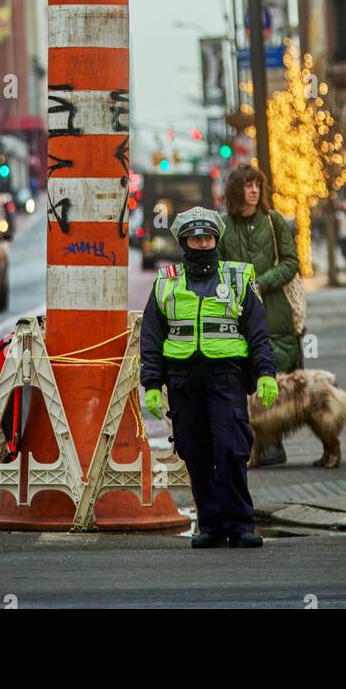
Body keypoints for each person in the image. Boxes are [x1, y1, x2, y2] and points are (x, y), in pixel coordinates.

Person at [140, 205, 278, 548]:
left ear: (216, 239)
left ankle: (241, 525)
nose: (202, 243)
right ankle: (211, 526)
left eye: (207, 237)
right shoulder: (166, 282)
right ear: (184, 241)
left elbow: (258, 332)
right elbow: (152, 338)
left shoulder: (237, 278)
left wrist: (266, 374)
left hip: (226, 379)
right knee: (195, 453)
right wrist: (152, 385)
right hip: (184, 382)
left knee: (231, 450)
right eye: (195, 238)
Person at [219, 163, 300, 466]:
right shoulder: (224, 227)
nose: (253, 190)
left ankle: (273, 443)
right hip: (237, 314)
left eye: (257, 185)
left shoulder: (274, 221)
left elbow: (291, 262)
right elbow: (218, 267)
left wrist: (262, 283)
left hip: (275, 311)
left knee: (274, 376)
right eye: (247, 185)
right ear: (235, 190)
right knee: (242, 377)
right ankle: (249, 445)